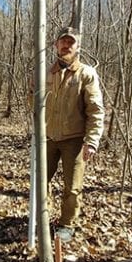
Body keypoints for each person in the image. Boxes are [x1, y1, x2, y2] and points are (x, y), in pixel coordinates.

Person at [44, 26, 105, 243]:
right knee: (41, 181)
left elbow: (96, 110)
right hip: (48, 137)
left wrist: (92, 141)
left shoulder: (86, 74)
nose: (66, 45)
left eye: (71, 42)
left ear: (77, 47)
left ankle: (66, 225)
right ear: (56, 45)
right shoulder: (46, 72)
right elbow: (34, 101)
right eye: (63, 42)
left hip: (75, 140)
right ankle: (43, 218)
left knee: (72, 186)